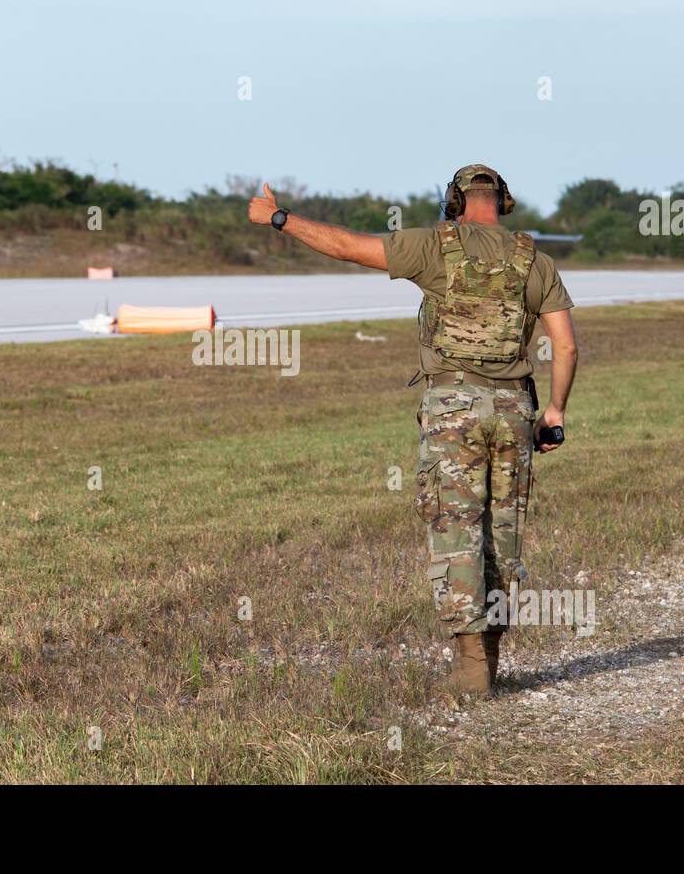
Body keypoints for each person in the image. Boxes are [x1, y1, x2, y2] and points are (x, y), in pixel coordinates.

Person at [247, 165, 579, 702]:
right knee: (501, 532)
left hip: (453, 407)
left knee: (457, 530)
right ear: (503, 202)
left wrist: (280, 219)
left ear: (455, 201)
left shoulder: (434, 247)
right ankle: (489, 662)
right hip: (515, 408)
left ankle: (471, 676)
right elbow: (564, 346)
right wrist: (556, 411)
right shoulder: (532, 259)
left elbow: (349, 247)